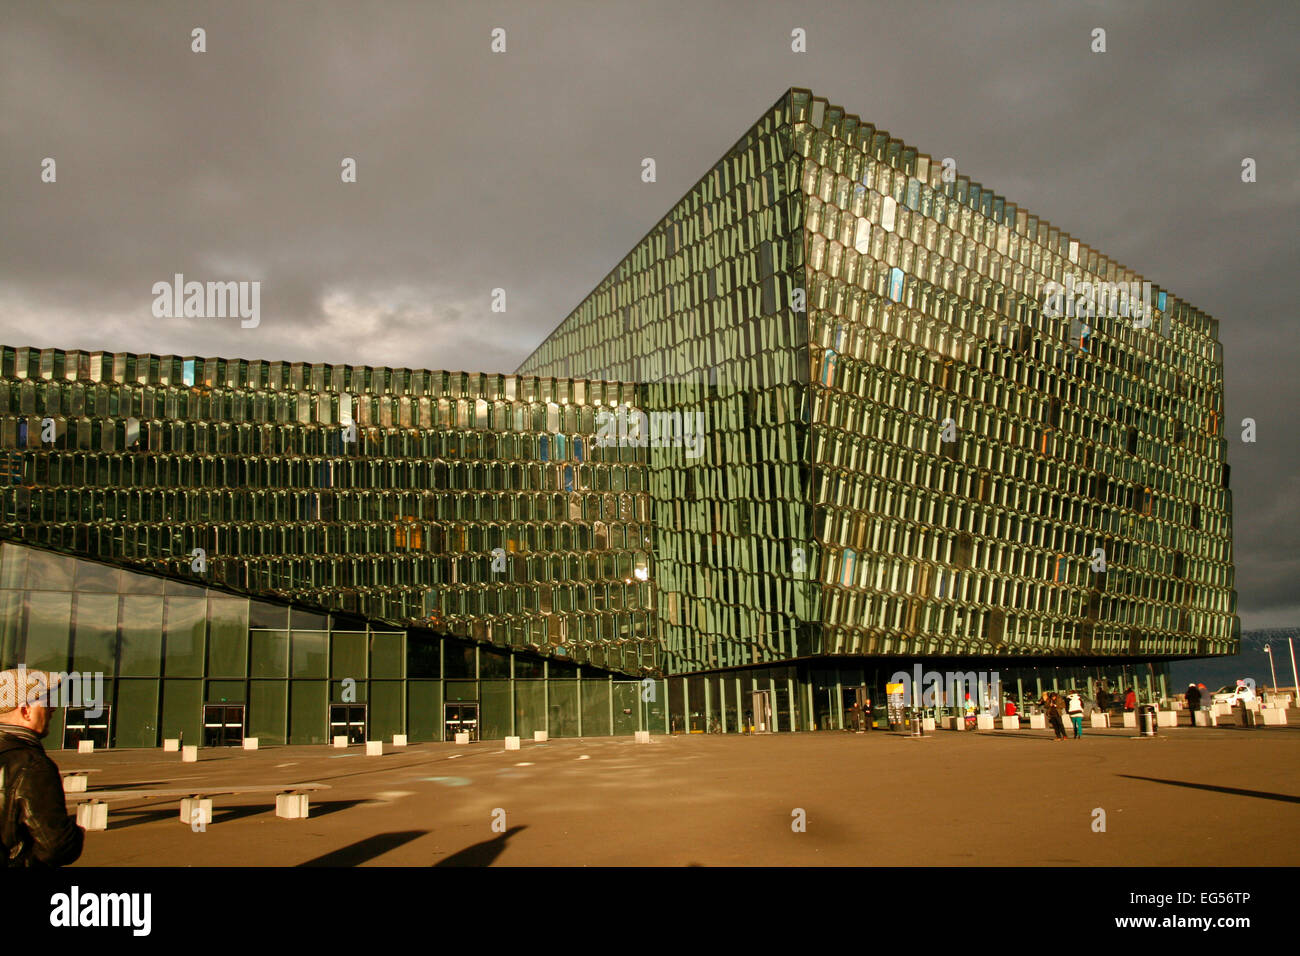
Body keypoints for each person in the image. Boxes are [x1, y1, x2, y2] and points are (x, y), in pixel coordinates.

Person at [0, 669, 85, 868]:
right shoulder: (31, 765)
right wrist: (77, 834)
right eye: (46, 701)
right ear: (25, 710)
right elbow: (57, 845)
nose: (53, 708)